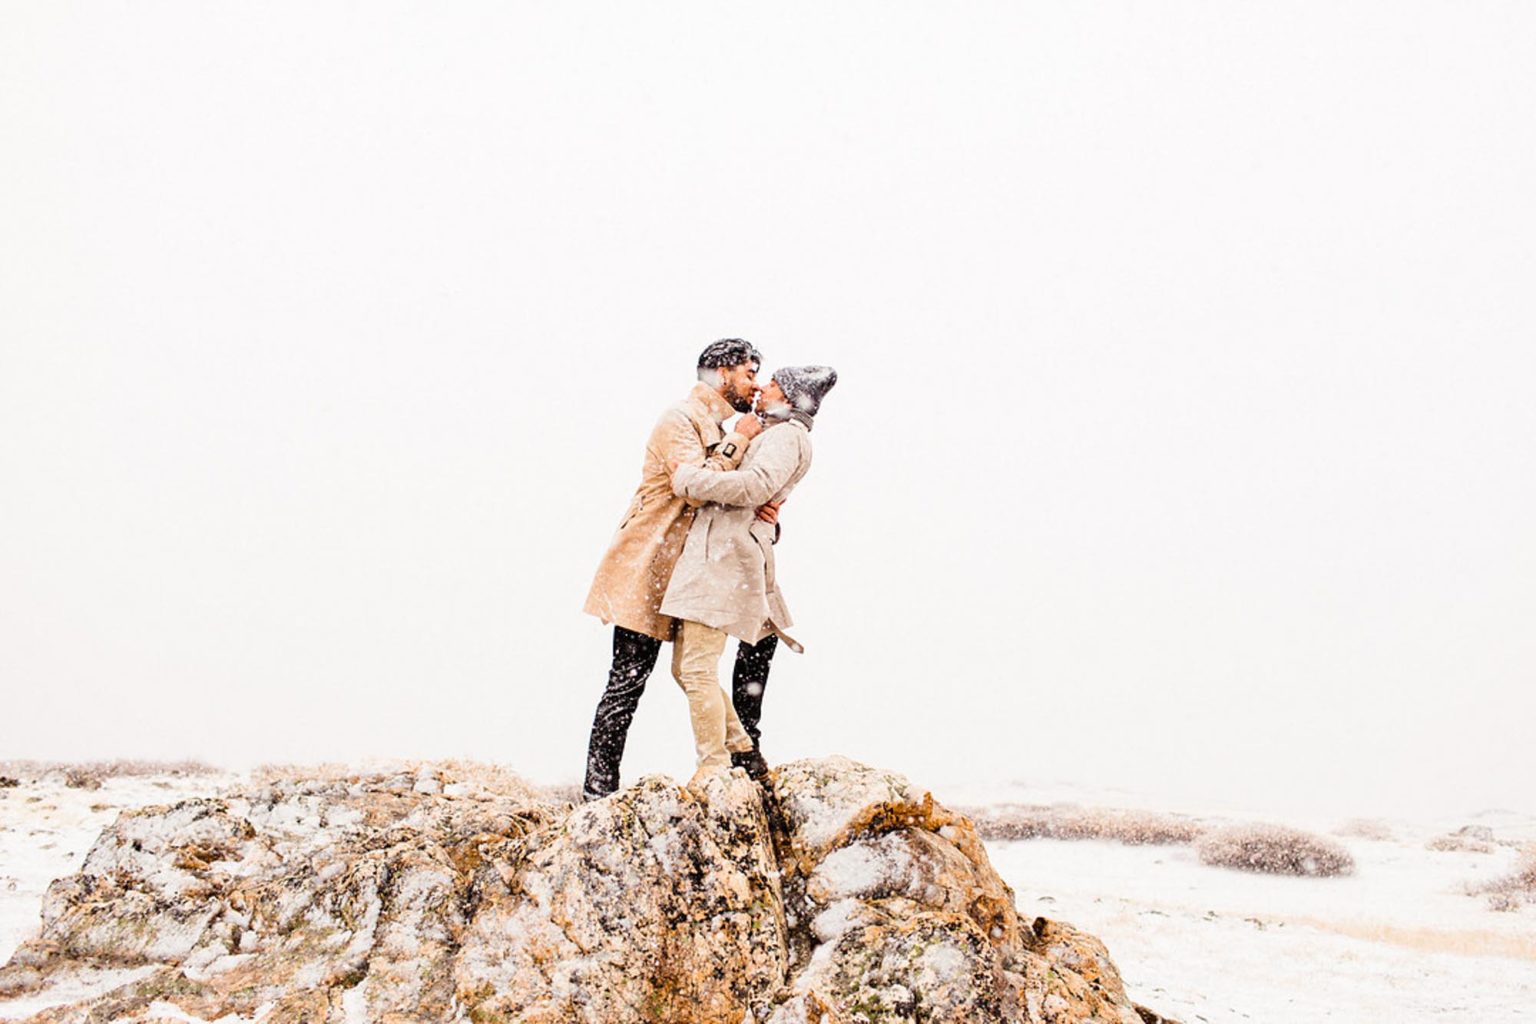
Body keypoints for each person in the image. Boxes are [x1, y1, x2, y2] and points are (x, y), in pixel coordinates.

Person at [580, 340, 783, 802]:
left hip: (697, 576)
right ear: (721, 372)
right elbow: (692, 487)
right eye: (749, 373)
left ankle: (743, 758)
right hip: (648, 568)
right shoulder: (681, 419)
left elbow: (735, 493)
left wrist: (768, 512)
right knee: (628, 681)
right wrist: (742, 439)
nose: (754, 386)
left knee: (723, 659)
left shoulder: (719, 425)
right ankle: (597, 793)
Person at [660, 365, 838, 789]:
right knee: (686, 669)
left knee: (698, 668)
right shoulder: (771, 432)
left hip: (726, 562)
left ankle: (714, 766)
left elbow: (756, 487)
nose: (762, 388)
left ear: (791, 398)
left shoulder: (788, 436)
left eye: (773, 384)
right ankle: (740, 747)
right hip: (715, 558)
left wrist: (688, 478)